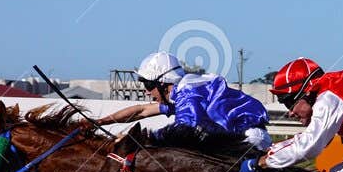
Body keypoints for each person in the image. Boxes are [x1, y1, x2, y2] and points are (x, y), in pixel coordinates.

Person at [99, 52, 271, 150]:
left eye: (148, 84)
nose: (146, 91)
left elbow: (183, 131)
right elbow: (141, 110)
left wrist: (137, 139)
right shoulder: (181, 92)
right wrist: (99, 122)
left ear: (162, 83)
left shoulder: (187, 93)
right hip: (238, 137)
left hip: (247, 139)